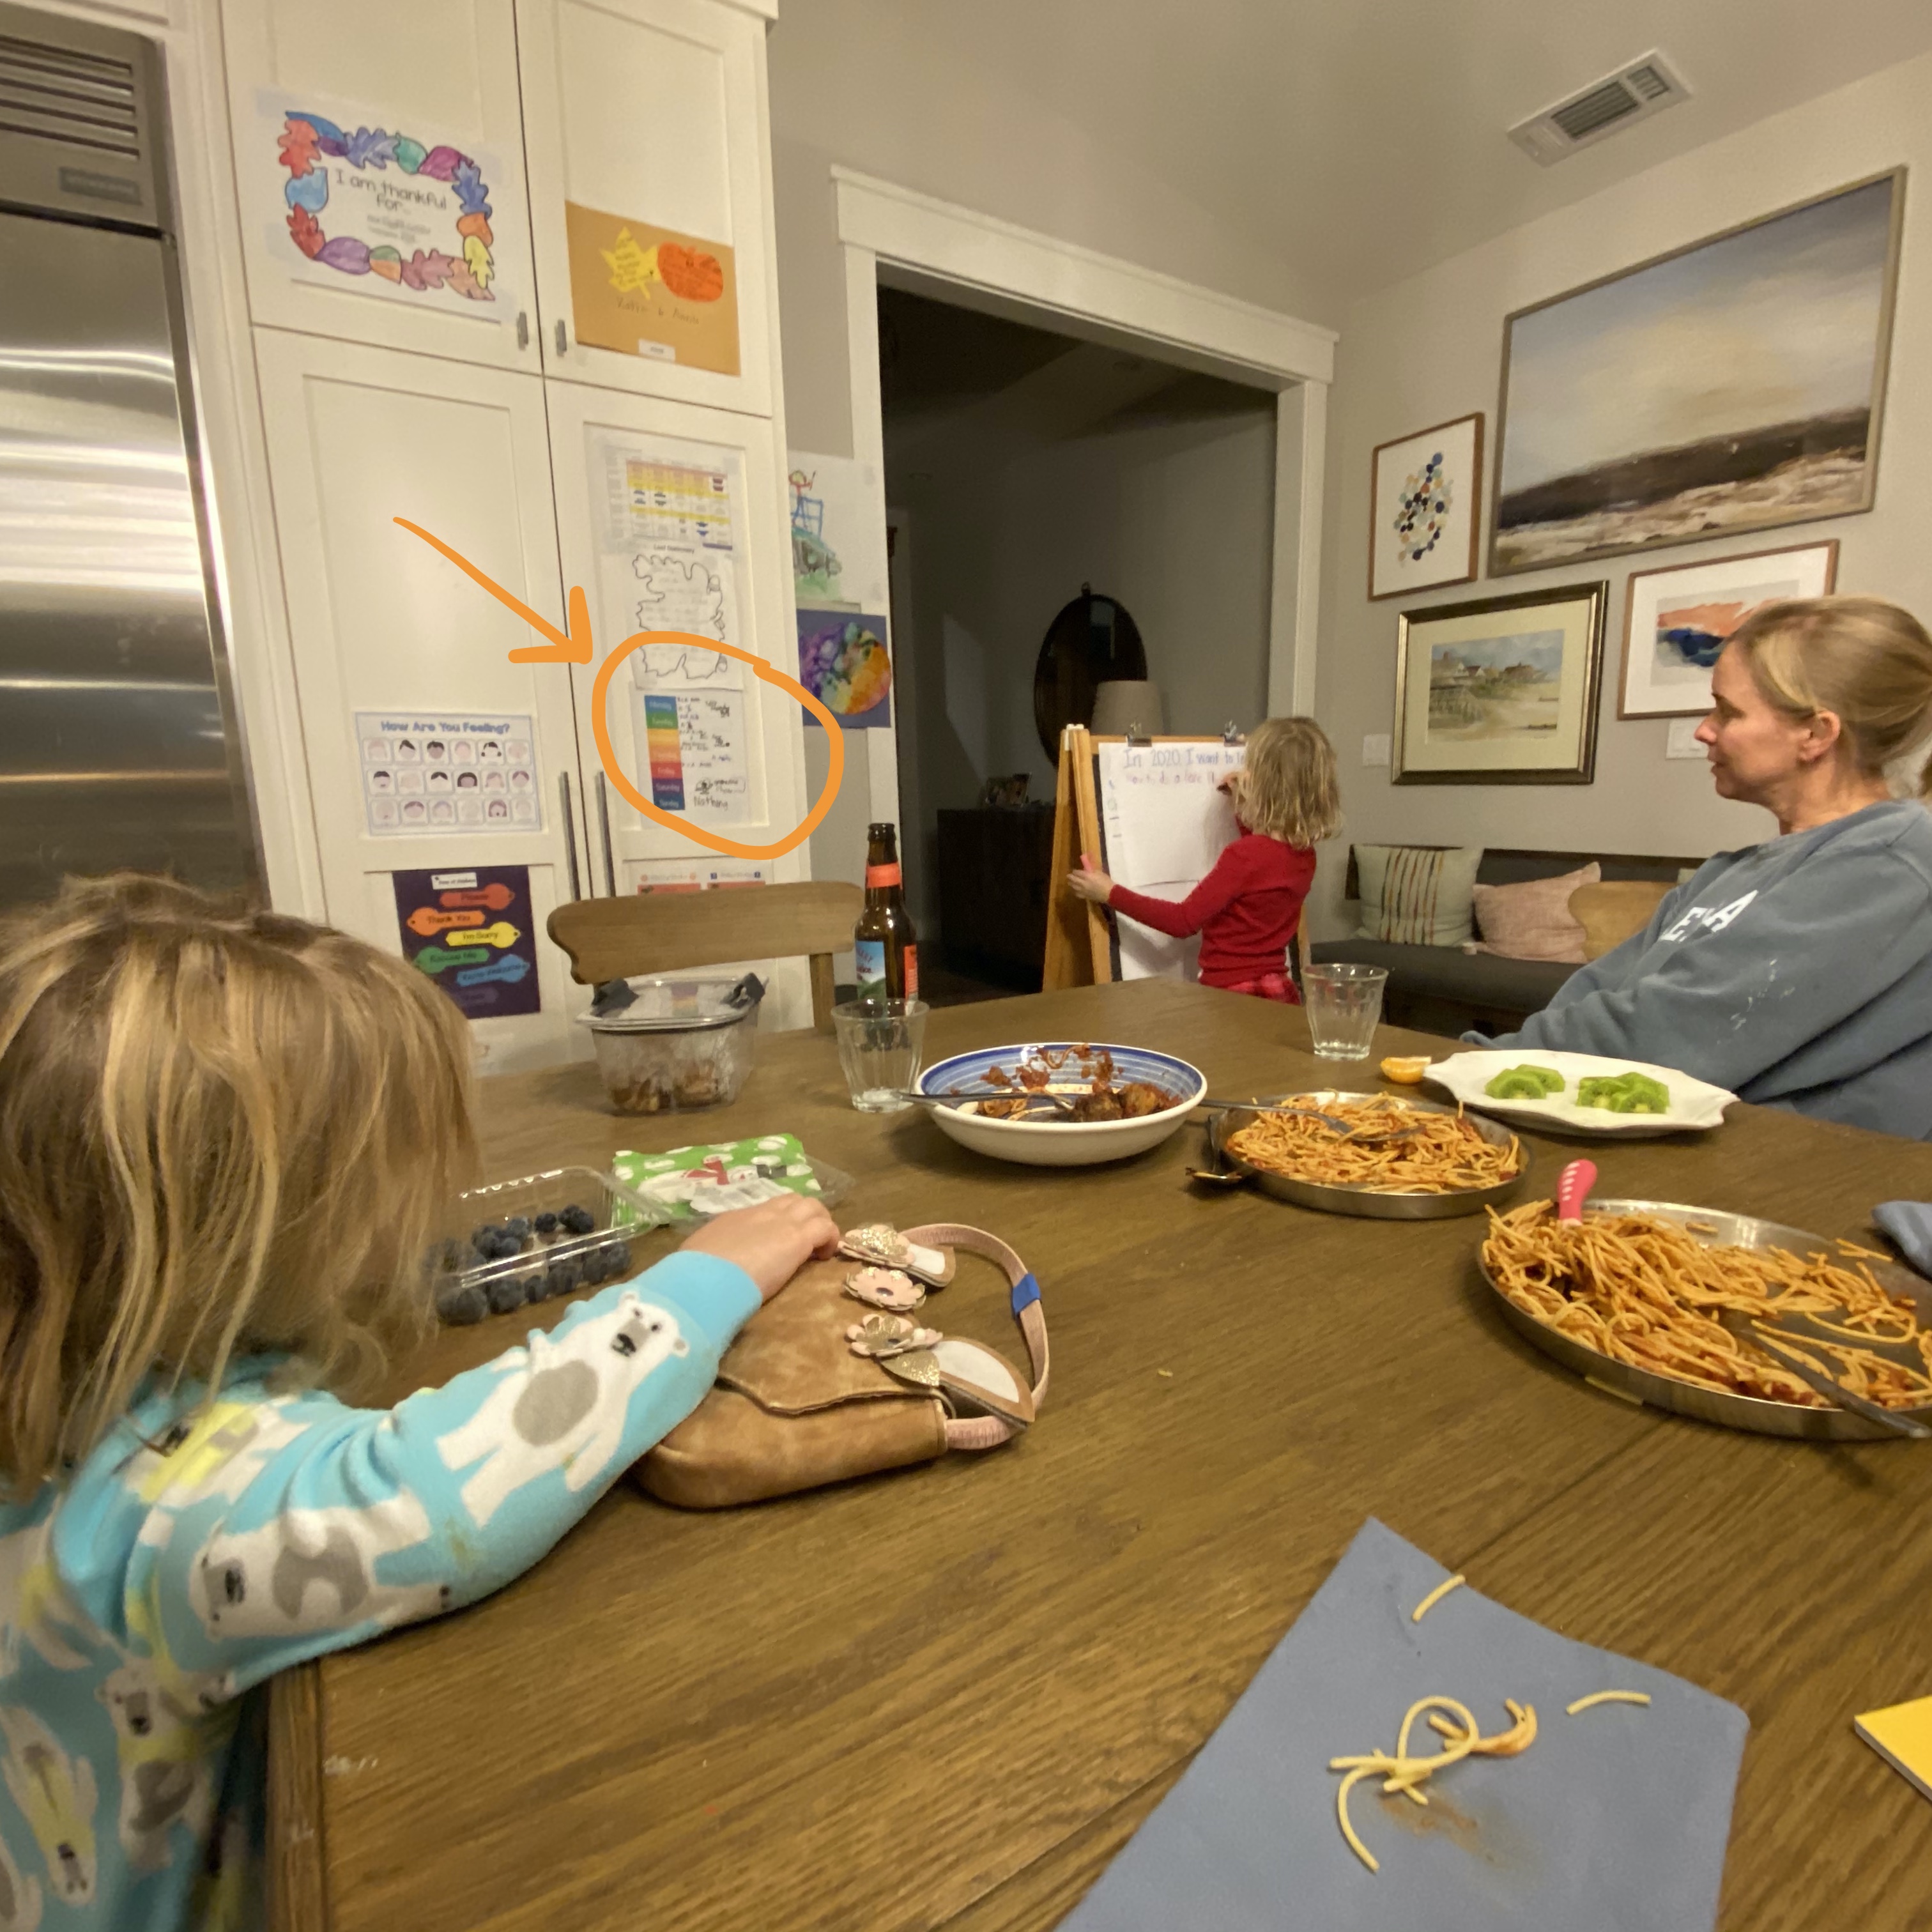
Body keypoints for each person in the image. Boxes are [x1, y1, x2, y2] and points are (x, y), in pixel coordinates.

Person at [0, 876, 837, 1929]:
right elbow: (439, 1491)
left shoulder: (60, 1373)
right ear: (257, 1235)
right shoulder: (166, 1516)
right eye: (385, 1178)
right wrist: (699, 1277)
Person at [1482, 595, 1932, 1138]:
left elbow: (1668, 1033)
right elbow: (1595, 997)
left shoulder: (1889, 864)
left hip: (1798, 1182)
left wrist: (1475, 1074)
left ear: (1816, 733)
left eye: (1728, 711)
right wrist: (1476, 1066)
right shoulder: (1727, 875)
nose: (1704, 730)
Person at [1066, 717, 1340, 1003]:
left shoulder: (1244, 857)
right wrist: (1241, 809)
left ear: (1264, 786)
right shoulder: (1305, 856)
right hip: (1277, 993)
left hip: (1231, 998)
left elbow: (1183, 921)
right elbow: (1266, 862)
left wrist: (1109, 892)